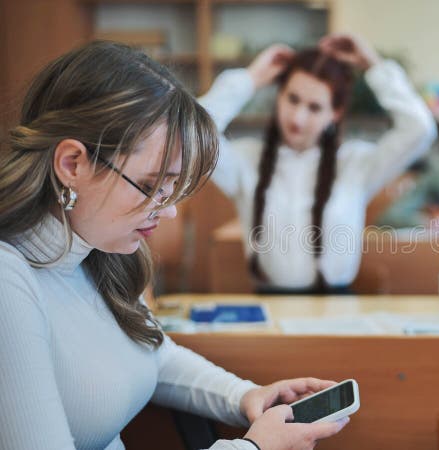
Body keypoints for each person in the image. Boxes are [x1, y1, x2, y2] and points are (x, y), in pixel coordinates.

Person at [0, 41, 348, 450]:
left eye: (170, 190)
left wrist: (243, 395)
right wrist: (252, 448)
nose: (167, 213)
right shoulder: (10, 282)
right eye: (149, 186)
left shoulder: (99, 251)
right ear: (73, 164)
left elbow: (153, 353)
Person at [199, 33, 436, 294]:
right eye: (292, 99)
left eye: (314, 107)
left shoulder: (356, 164)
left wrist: (374, 66)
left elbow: (420, 130)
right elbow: (189, 137)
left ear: (334, 114)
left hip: (336, 312)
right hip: (268, 309)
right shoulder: (246, 160)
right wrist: (250, 79)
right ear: (279, 96)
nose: (298, 118)